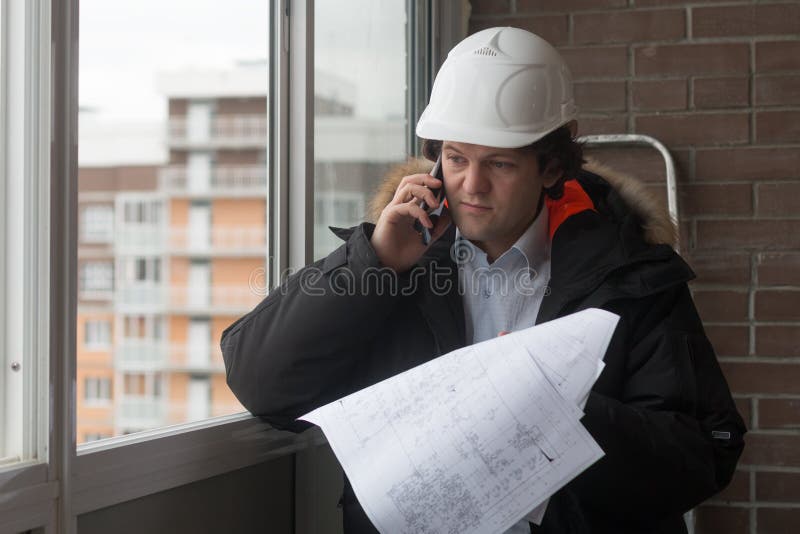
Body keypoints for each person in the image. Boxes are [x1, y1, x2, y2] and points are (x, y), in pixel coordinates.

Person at [221, 27, 745, 534]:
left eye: (499, 163)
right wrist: (374, 261)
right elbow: (264, 386)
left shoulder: (632, 272)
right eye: (455, 158)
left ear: (550, 167)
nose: (471, 185)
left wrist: (556, 412)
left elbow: (703, 453)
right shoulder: (391, 265)